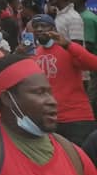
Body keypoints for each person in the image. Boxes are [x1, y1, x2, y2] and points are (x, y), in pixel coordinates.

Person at [31, 13, 97, 145]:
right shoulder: (34, 54)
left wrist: (68, 45)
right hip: (49, 120)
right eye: (35, 26)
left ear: (54, 29)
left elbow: (93, 64)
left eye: (43, 26)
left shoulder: (67, 48)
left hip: (76, 119)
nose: (39, 29)